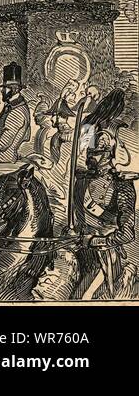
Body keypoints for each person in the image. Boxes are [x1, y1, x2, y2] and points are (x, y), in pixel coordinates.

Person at [73, 127, 136, 299]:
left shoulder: (121, 185)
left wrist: (95, 240)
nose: (90, 157)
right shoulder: (82, 179)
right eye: (89, 152)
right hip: (79, 249)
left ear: (109, 154)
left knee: (81, 298)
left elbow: (127, 233)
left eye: (97, 152)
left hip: (105, 253)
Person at [0, 63, 32, 163]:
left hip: (2, 159)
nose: (1, 90)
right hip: (1, 157)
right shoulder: (13, 106)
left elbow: (2, 144)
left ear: (14, 89)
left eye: (5, 87)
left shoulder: (17, 112)